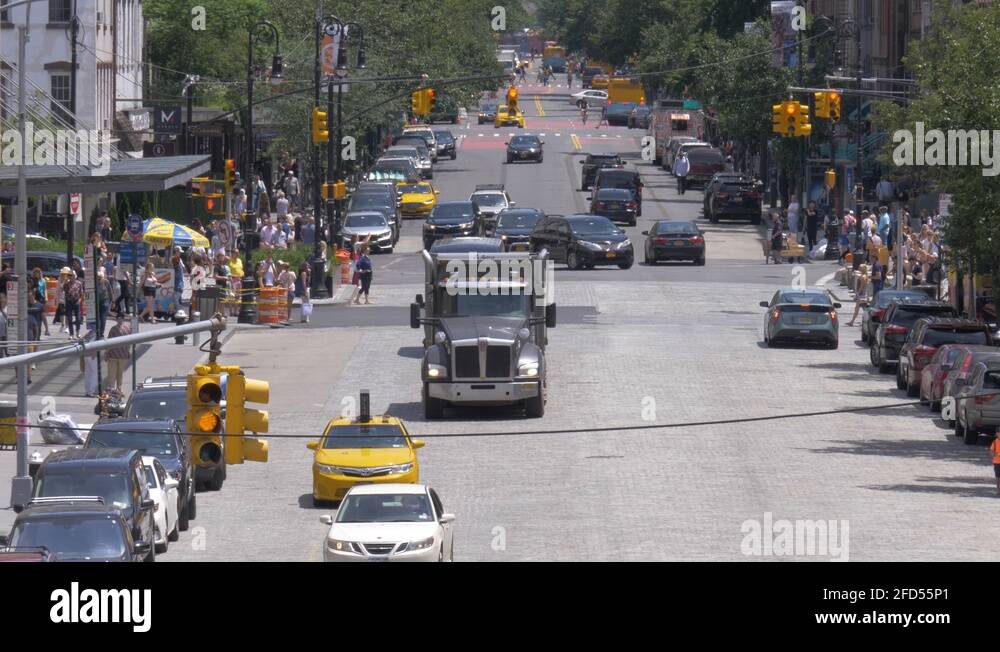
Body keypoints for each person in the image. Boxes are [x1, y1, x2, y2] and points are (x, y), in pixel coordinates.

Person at [105, 312, 131, 393]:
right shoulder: (128, 329)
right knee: (120, 373)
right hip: (123, 355)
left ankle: (111, 388)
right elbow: (129, 343)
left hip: (113, 355)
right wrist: (128, 352)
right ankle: (119, 389)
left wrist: (106, 353)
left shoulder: (113, 329)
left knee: (112, 373)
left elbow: (109, 342)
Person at [62, 267, 83, 338]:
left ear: (75, 276)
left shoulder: (79, 283)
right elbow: (62, 290)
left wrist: (80, 300)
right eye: (70, 275)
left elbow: (81, 293)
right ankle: (71, 334)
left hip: (76, 301)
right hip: (69, 302)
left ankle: (78, 332)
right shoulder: (67, 283)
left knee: (78, 318)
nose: (71, 277)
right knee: (70, 318)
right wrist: (64, 282)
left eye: (72, 275)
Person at [95, 268, 114, 337]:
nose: (99, 279)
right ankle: (97, 330)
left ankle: (101, 331)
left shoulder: (106, 282)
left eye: (100, 278)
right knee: (98, 317)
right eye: (98, 278)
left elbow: (110, 291)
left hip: (105, 301)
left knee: (103, 317)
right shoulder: (94, 282)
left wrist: (113, 301)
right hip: (96, 302)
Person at [31, 267, 50, 336]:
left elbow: (45, 289)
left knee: (43, 315)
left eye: (38, 273)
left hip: (41, 298)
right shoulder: (32, 280)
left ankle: (47, 329)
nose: (37, 274)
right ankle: (36, 332)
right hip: (35, 298)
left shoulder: (43, 281)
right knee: (36, 316)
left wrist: (46, 297)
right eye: (35, 273)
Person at [228, 248, 244, 317]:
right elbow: (228, 272)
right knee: (232, 296)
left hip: (239, 280)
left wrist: (242, 274)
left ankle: (235, 311)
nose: (238, 254)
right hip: (232, 280)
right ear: (233, 253)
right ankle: (231, 311)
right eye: (236, 253)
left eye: (238, 253)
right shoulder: (229, 261)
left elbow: (241, 269)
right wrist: (233, 276)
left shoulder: (239, 260)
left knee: (237, 296)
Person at [171, 248, 187, 315]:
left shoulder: (179, 260)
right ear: (176, 252)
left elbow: (184, 269)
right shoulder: (174, 259)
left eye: (180, 252)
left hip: (179, 282)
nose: (180, 253)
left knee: (176, 298)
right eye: (179, 252)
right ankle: (178, 311)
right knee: (178, 298)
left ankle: (179, 311)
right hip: (177, 282)